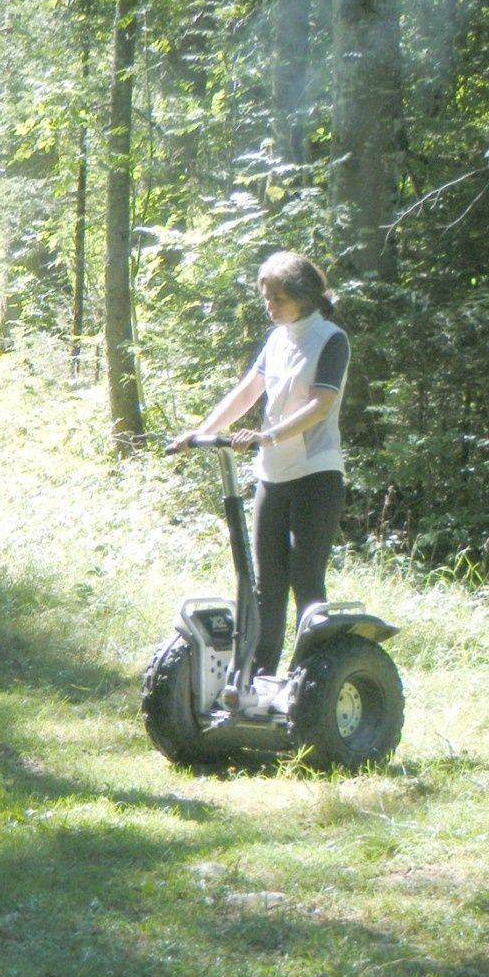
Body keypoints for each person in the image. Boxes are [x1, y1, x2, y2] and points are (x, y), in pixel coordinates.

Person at [172, 250, 349, 676]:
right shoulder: (277, 340)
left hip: (316, 474)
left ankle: (310, 679)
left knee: (307, 581)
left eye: (278, 299)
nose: (270, 307)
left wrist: (267, 435)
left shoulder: (330, 339)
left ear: (304, 297)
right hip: (273, 474)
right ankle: (260, 676)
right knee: (266, 585)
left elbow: (320, 405)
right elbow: (248, 392)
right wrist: (200, 432)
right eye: (266, 298)